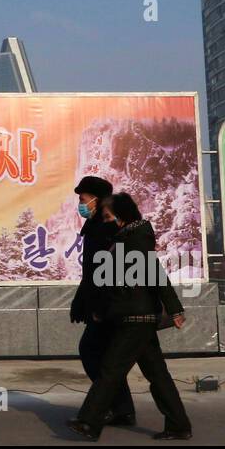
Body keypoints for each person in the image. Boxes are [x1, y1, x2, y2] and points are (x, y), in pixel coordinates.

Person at [66, 192, 193, 441]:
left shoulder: (135, 240)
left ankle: (89, 423)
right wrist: (101, 310)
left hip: (136, 317)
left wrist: (175, 309)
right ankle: (179, 425)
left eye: (107, 216)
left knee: (111, 370)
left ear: (120, 216)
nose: (104, 221)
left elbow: (154, 274)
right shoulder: (126, 238)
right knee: (157, 374)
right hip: (132, 316)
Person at [67, 175, 135, 427]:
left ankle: (101, 411)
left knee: (93, 353)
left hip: (109, 303)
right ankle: (122, 409)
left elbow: (106, 270)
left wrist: (99, 305)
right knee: (108, 358)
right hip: (104, 301)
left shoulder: (105, 227)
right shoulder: (97, 225)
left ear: (96, 199)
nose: (80, 203)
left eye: (83, 198)